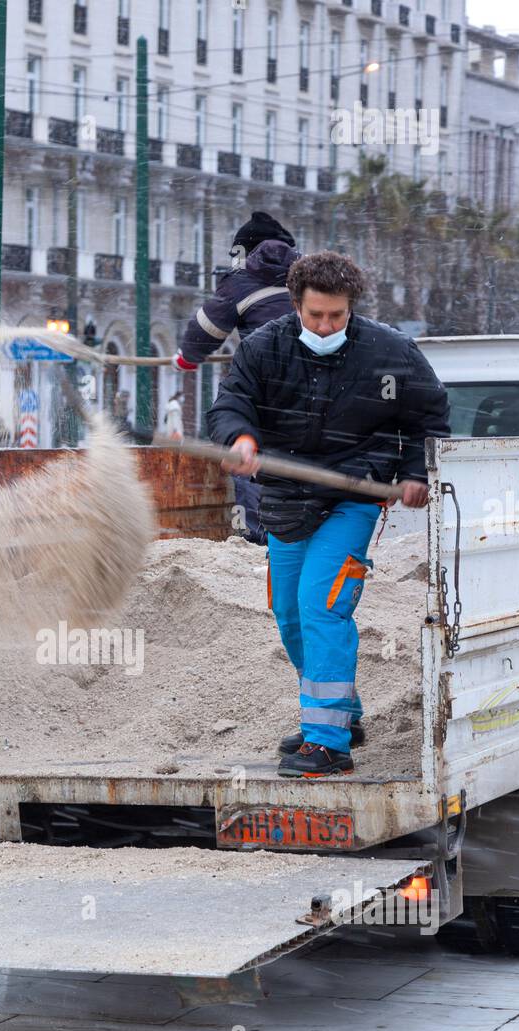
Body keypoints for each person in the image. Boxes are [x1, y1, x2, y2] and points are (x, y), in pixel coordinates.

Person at [207, 250, 449, 779]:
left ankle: (327, 744)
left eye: (337, 315)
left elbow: (428, 417)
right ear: (295, 306)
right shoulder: (263, 348)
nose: (326, 325)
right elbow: (231, 404)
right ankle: (344, 714)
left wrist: (415, 474)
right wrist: (240, 437)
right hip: (286, 496)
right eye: (316, 315)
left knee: (323, 605)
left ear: (351, 307)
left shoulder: (390, 353)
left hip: (353, 497)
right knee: (290, 613)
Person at [173, 210, 301, 544]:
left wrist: (187, 358)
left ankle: (257, 536)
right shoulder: (307, 273)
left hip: (263, 377)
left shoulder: (240, 279)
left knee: (246, 442)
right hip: (313, 376)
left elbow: (207, 328)